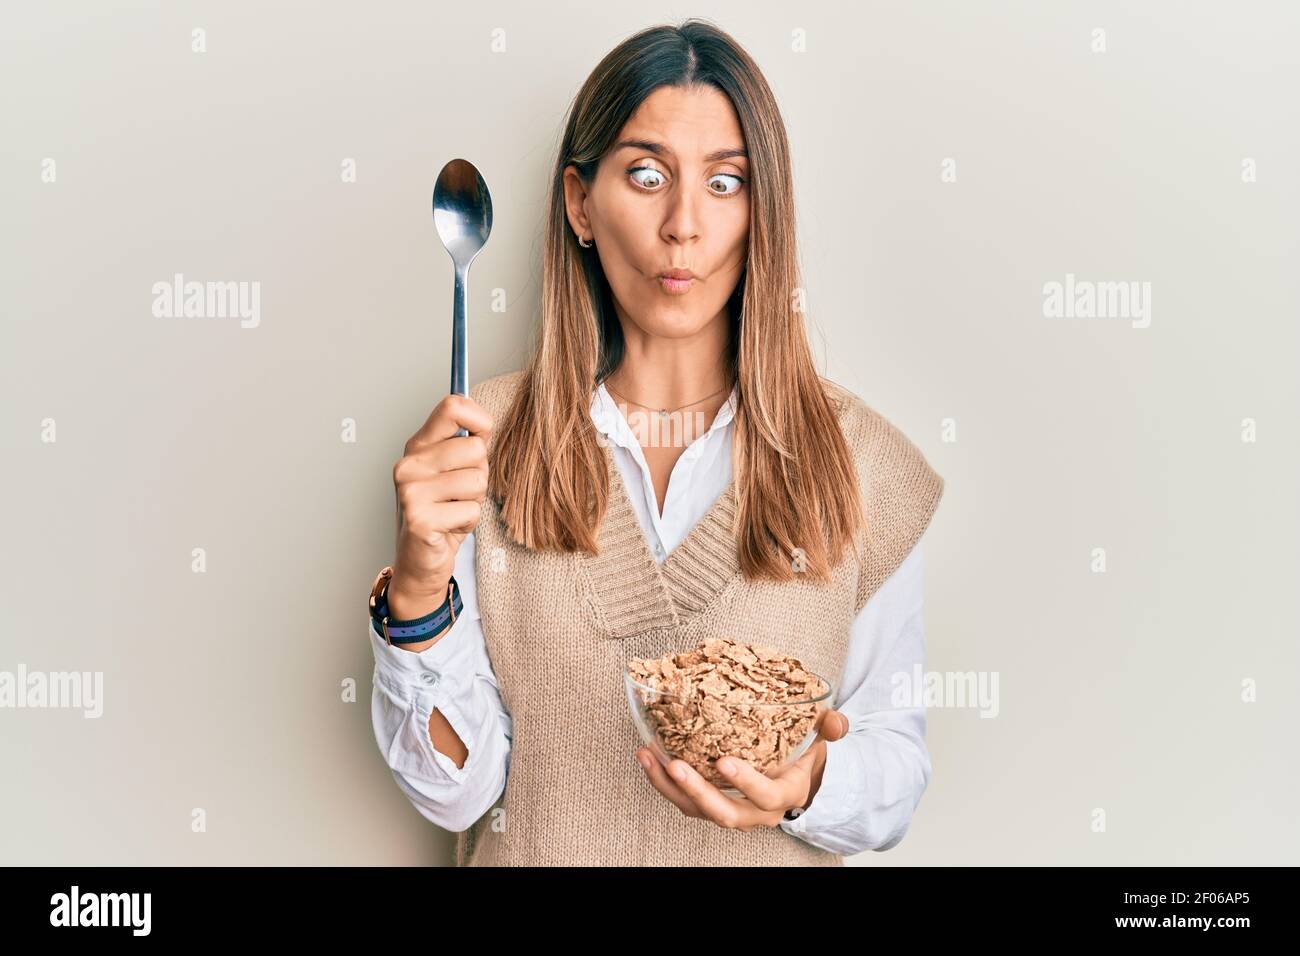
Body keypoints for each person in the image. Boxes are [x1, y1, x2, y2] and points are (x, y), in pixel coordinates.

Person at [367, 19, 944, 866]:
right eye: (645, 175)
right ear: (579, 205)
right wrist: (417, 590)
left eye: (725, 182)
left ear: (764, 211)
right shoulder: (478, 447)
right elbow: (458, 790)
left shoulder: (861, 467)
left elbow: (894, 765)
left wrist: (807, 782)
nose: (683, 225)